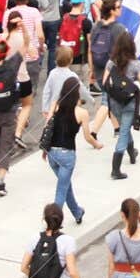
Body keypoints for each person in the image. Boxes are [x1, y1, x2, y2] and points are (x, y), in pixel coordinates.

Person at [41, 61, 101, 226]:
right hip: (67, 155)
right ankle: (53, 221)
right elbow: (87, 137)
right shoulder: (82, 113)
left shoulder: (55, 106)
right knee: (61, 189)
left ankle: (77, 212)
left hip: (52, 154)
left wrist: (45, 149)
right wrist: (97, 144)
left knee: (65, 185)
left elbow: (48, 127)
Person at [21, 202, 88, 278]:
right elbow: (72, 272)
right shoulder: (68, 241)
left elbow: (23, 267)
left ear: (44, 219)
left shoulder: (34, 239)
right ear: (61, 220)